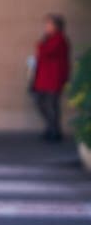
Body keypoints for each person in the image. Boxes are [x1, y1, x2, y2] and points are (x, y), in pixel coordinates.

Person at [32, 13, 71, 142]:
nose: (46, 27)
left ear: (56, 26)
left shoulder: (59, 39)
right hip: (44, 78)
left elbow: (45, 51)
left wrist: (40, 44)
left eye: (49, 24)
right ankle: (51, 127)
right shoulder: (49, 38)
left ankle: (55, 130)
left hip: (53, 78)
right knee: (41, 102)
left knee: (52, 104)